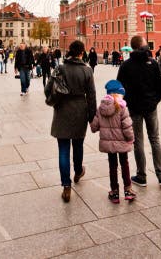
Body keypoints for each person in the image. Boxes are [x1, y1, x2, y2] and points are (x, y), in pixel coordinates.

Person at [117, 35, 161, 187]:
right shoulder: (152, 63)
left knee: (138, 141)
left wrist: (127, 103)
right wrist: (154, 101)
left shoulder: (126, 66)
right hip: (150, 108)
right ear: (142, 45)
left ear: (132, 47)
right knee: (155, 139)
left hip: (134, 109)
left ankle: (141, 176)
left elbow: (120, 89)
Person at [49, 40, 96, 202]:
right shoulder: (87, 71)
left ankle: (66, 186)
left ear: (69, 52)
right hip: (79, 110)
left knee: (63, 149)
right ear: (82, 53)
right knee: (78, 144)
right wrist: (92, 117)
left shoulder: (60, 68)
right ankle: (77, 171)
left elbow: (49, 88)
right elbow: (91, 96)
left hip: (62, 109)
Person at [90, 80, 136, 204]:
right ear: (117, 94)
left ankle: (114, 192)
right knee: (124, 164)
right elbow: (127, 127)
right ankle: (128, 190)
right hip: (121, 143)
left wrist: (92, 120)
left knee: (112, 166)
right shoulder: (122, 107)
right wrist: (131, 138)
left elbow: (94, 127)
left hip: (109, 145)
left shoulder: (101, 108)